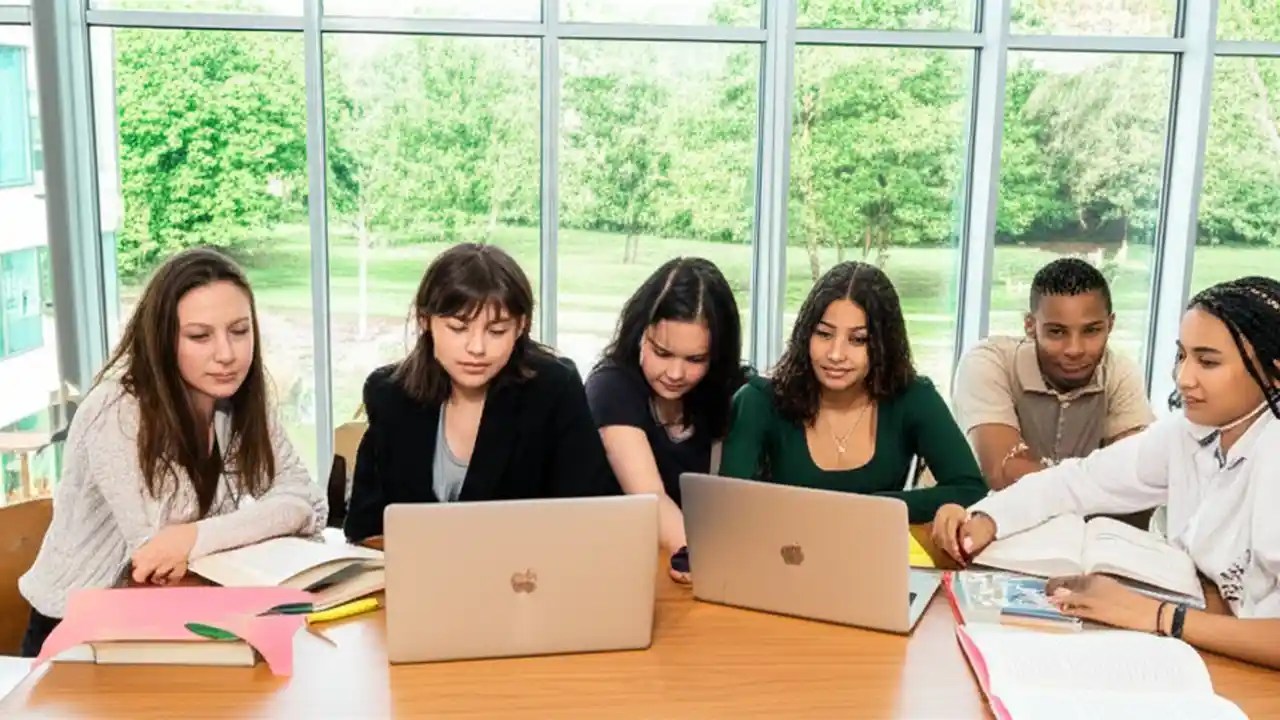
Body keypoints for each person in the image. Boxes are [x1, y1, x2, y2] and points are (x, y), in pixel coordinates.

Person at [934, 276, 1280, 670]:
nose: (1183, 377)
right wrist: (988, 517)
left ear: (1274, 371)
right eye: (1181, 355)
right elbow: (1079, 480)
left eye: (1208, 361)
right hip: (1208, 649)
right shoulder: (1187, 433)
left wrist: (1157, 614)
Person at [18, 248, 327, 657]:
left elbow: (308, 500)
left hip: (185, 618)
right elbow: (154, 553)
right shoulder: (116, 409)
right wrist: (206, 535)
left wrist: (191, 537)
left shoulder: (242, 399)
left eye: (239, 330)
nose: (227, 354)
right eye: (200, 336)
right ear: (162, 338)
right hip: (78, 635)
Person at [343, 243, 619, 543]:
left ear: (521, 327)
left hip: (523, 580)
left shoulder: (553, 388)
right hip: (414, 582)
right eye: (458, 328)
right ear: (426, 322)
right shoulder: (390, 394)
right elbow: (365, 528)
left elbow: (591, 515)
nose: (477, 348)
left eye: (497, 331)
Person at [720, 261, 986, 523]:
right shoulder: (758, 401)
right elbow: (730, 509)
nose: (836, 354)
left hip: (875, 560)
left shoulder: (914, 398)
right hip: (781, 559)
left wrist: (867, 510)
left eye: (858, 340)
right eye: (824, 334)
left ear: (884, 345)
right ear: (805, 336)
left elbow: (970, 488)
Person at [586, 258, 750, 583]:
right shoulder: (610, 386)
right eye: (662, 353)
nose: (675, 374)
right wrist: (704, 558)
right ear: (639, 335)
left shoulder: (734, 392)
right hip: (625, 573)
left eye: (695, 360)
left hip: (702, 568)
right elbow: (650, 497)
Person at [952, 257, 1154, 492]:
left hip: (1075, 525)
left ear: (1110, 325)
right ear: (1030, 325)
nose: (1074, 349)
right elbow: (1003, 474)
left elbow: (1138, 477)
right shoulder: (988, 362)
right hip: (968, 519)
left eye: (1091, 331)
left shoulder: (1120, 372)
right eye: (1057, 332)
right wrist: (1101, 482)